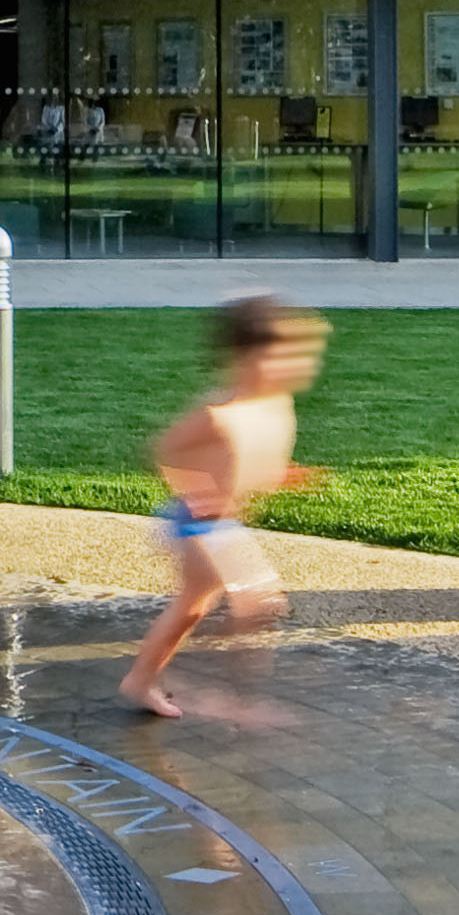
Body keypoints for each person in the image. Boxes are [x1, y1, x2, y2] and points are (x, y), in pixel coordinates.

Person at [120, 295, 326, 717]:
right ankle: (236, 698)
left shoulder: (270, 406)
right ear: (247, 358)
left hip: (221, 525)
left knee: (196, 607)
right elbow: (166, 449)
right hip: (194, 524)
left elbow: (253, 463)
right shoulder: (219, 412)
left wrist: (287, 475)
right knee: (253, 602)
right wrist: (197, 492)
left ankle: (144, 680)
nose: (295, 366)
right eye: (281, 356)